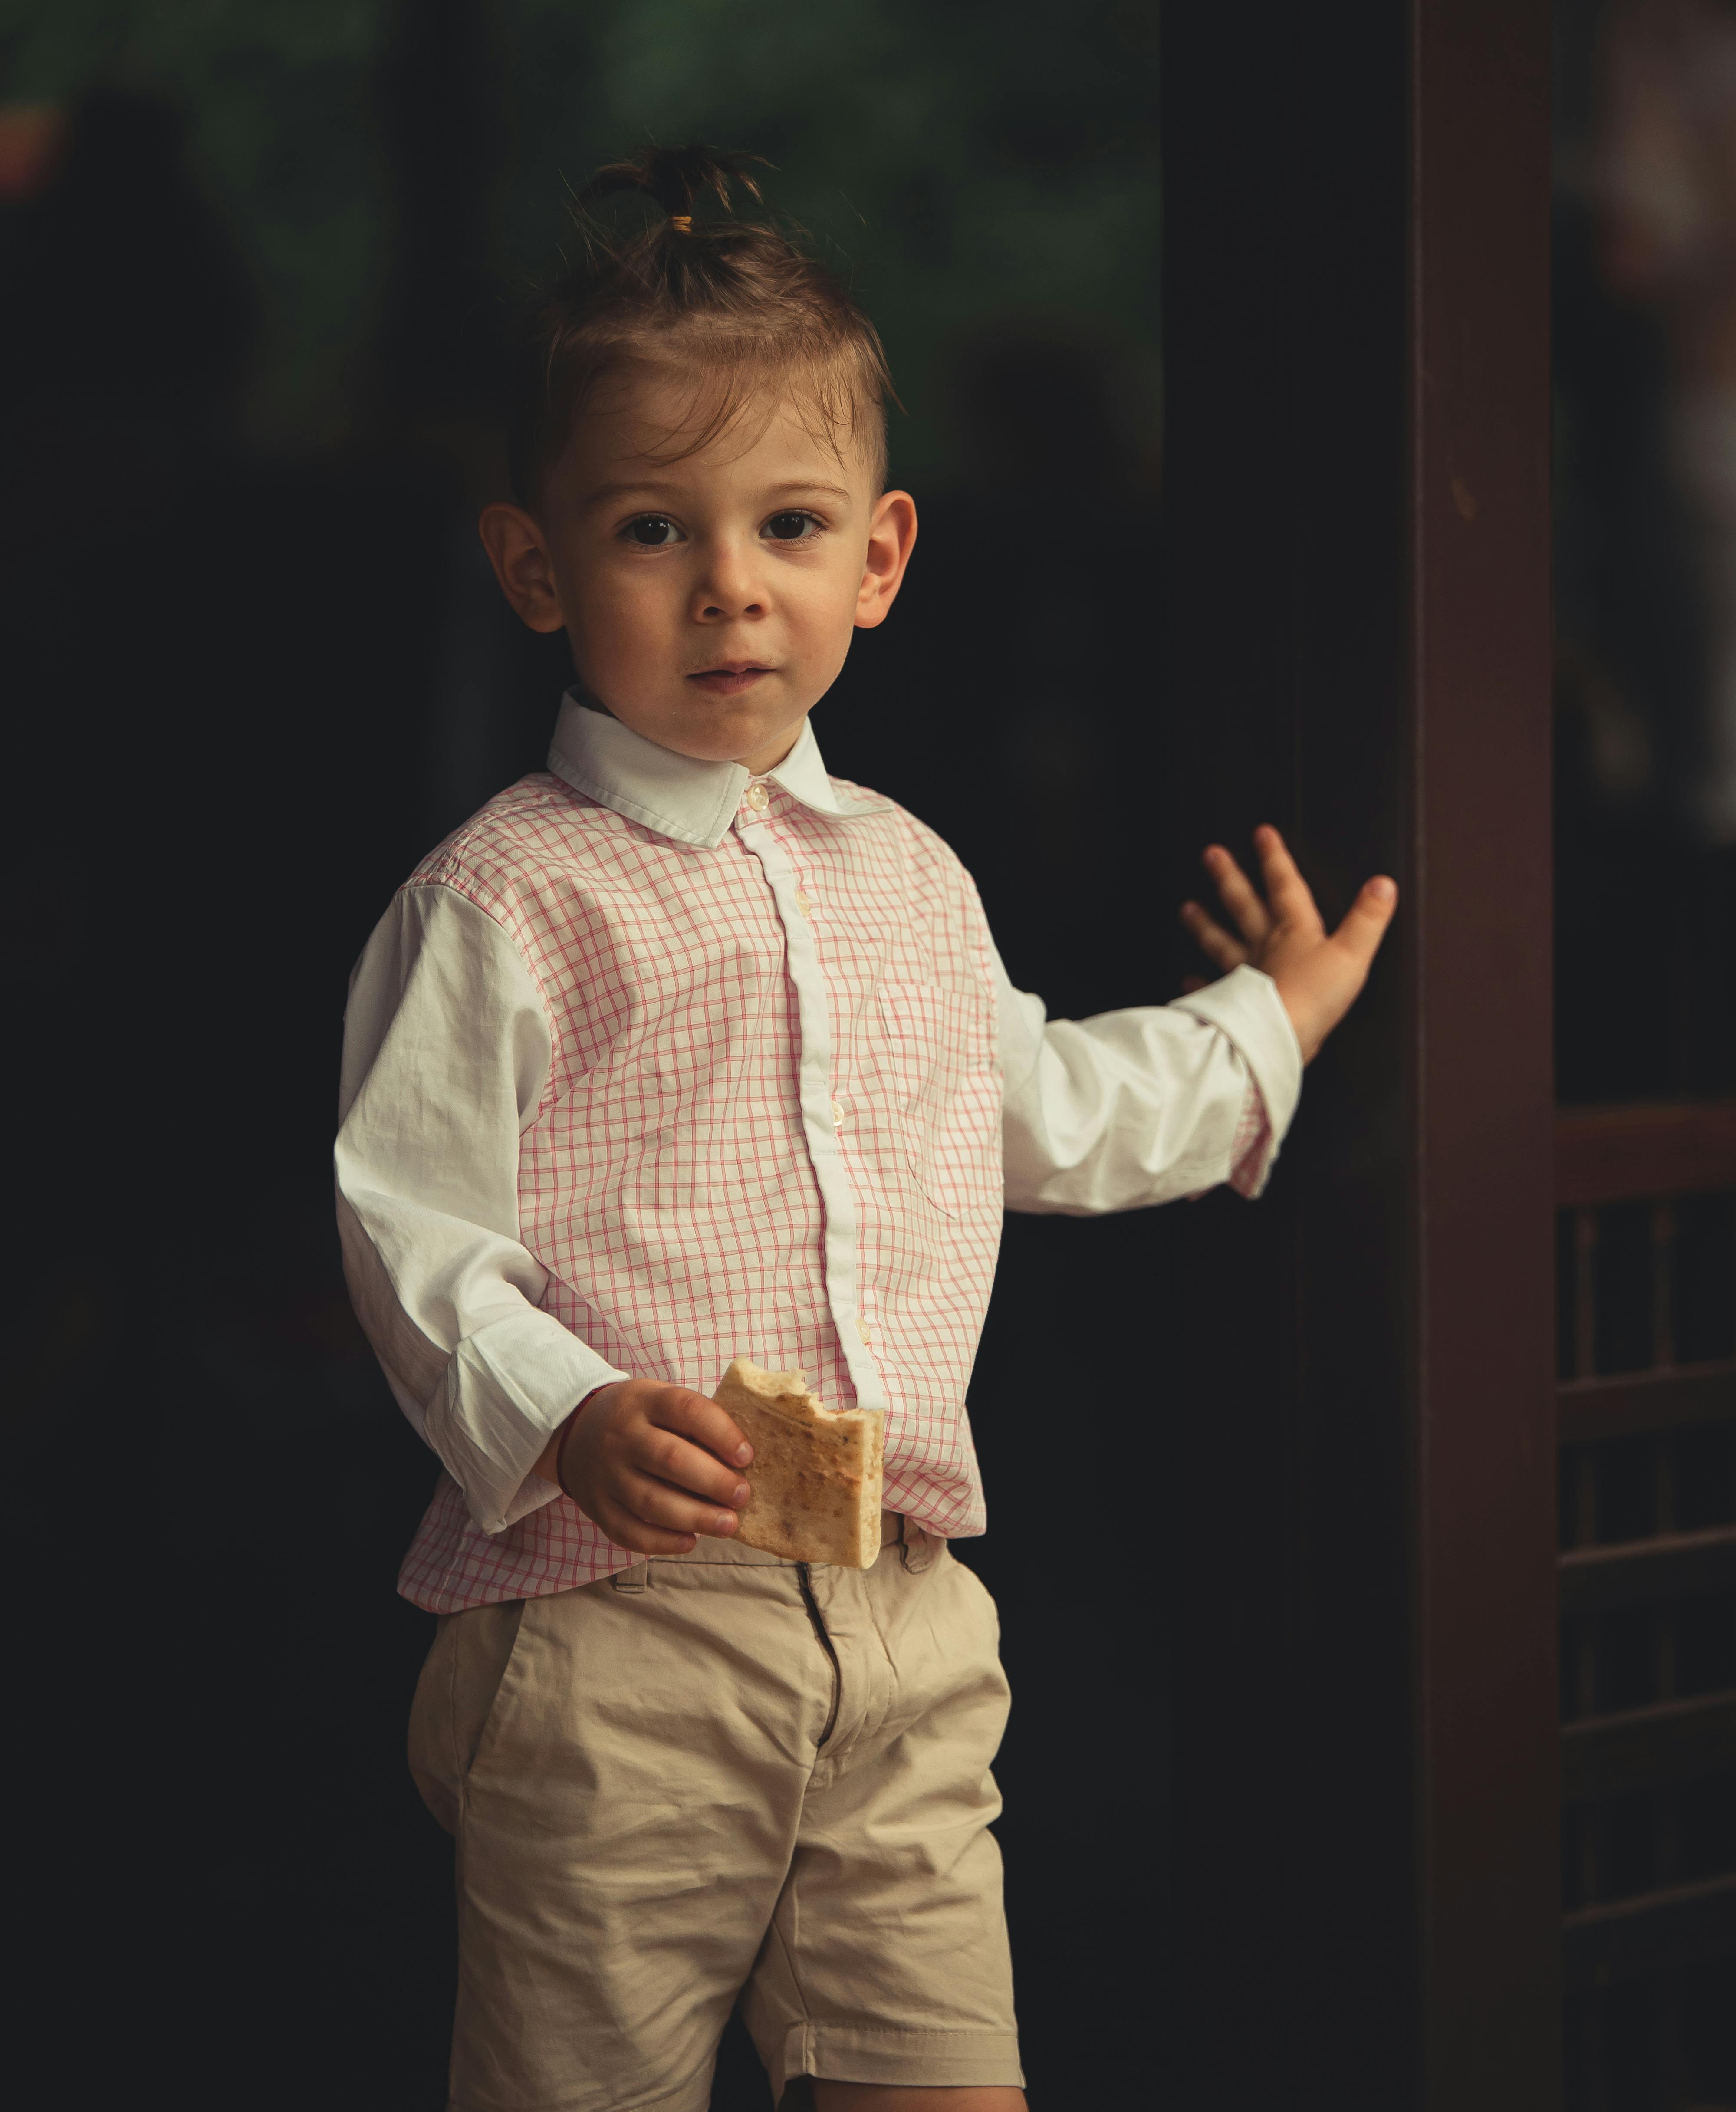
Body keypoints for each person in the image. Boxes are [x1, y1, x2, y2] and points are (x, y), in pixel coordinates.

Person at [334, 145, 1397, 2112]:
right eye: (655, 527)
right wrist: (561, 1403)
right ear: (537, 564)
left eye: (789, 523)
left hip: (905, 1639)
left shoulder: (911, 880)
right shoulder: (504, 900)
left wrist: (1275, 1017)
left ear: (879, 561)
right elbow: (411, 1222)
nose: (731, 581)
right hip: (614, 1644)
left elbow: (1049, 1103)